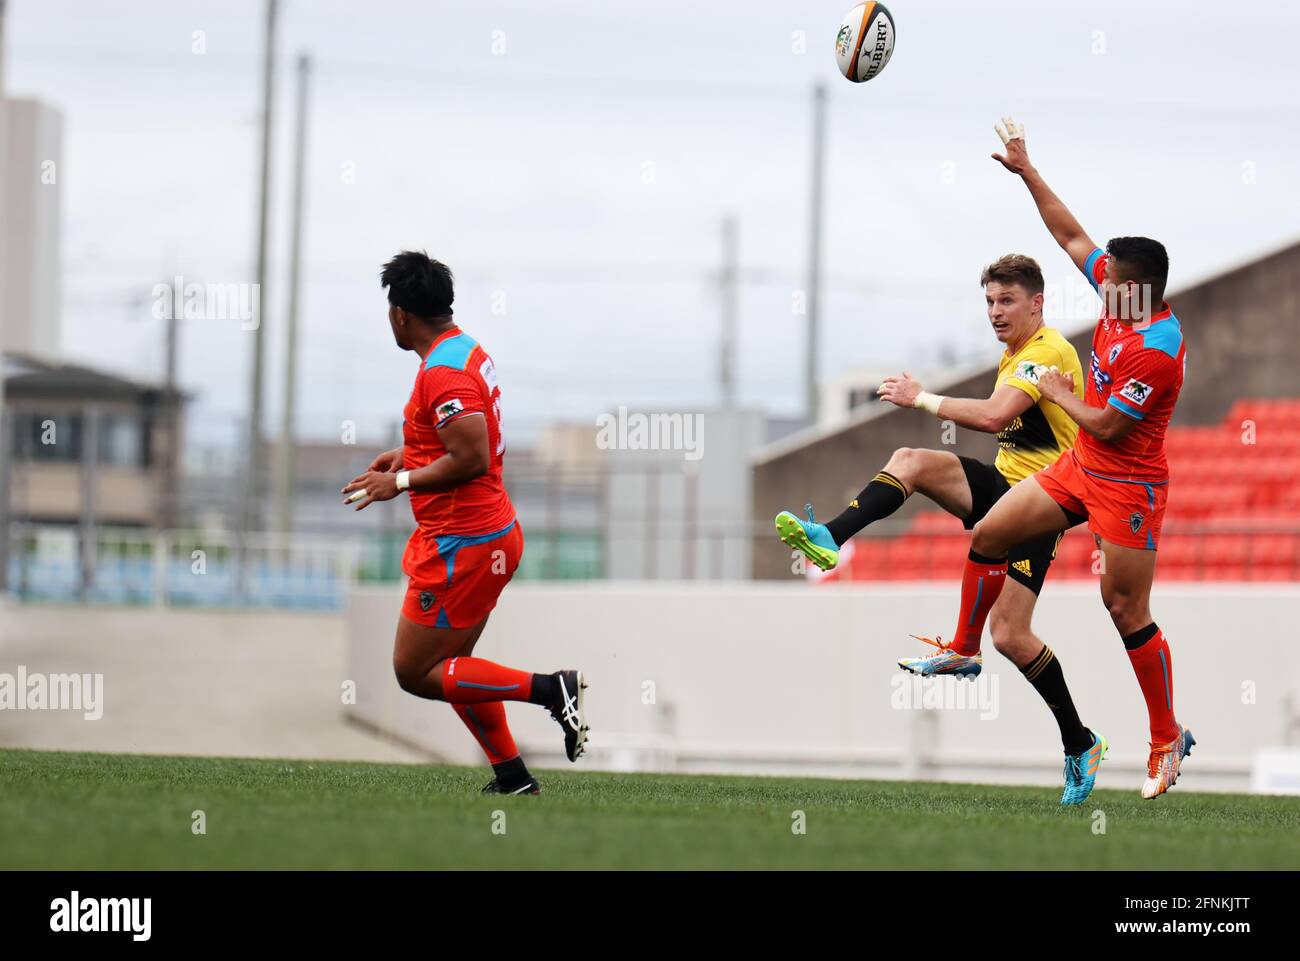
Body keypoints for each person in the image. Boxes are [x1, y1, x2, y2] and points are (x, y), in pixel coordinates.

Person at [777, 254, 1106, 804]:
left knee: (1011, 635)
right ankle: (830, 537)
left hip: (1043, 504)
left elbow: (997, 416)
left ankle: (1074, 738)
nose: (995, 313)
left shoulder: (1046, 351)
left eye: (1006, 301)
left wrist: (922, 397)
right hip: (1007, 489)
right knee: (909, 460)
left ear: (1037, 304)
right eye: (989, 302)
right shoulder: (1015, 354)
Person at [930, 116, 1191, 799]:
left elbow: (1103, 422)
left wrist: (1055, 392)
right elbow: (1071, 235)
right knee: (989, 533)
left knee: (1124, 608)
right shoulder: (1120, 286)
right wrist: (1028, 171)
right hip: (1081, 468)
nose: (1101, 288)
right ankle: (963, 648)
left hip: (1127, 486)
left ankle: (1167, 736)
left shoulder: (1155, 349)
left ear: (1143, 292)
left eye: (1113, 287)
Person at [343, 250, 588, 796]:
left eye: (389, 308)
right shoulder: (465, 350)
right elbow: (454, 438)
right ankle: (513, 777)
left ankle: (552, 689)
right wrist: (408, 454)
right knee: (453, 666)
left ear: (401, 313)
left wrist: (399, 483)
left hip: (465, 543)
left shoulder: (443, 372)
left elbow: (472, 455)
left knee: (415, 671)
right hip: (485, 533)